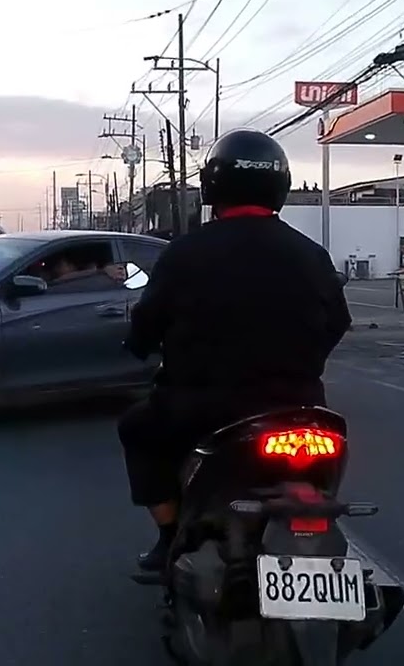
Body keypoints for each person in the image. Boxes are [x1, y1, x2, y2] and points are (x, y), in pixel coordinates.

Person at [117, 128, 352, 571]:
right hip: (299, 407)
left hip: (201, 408)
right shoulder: (310, 253)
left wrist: (139, 345)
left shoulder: (184, 254)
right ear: (280, 186)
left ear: (213, 187)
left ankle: (169, 537)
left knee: (136, 429)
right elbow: (338, 322)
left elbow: (147, 324)